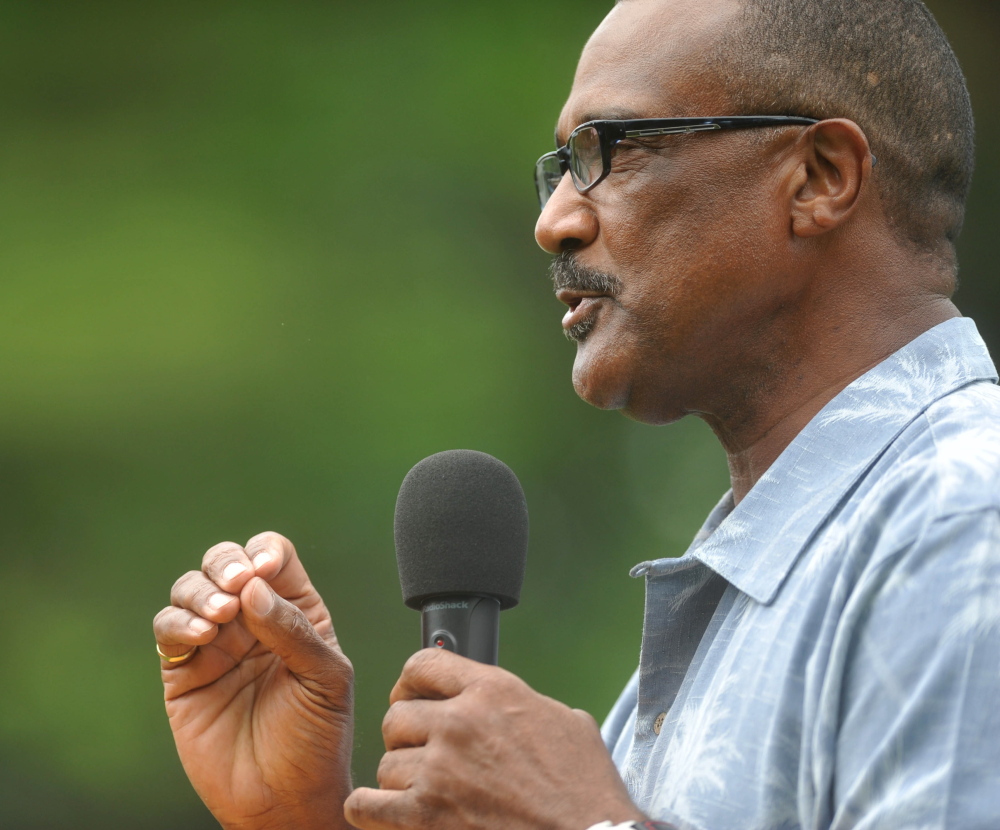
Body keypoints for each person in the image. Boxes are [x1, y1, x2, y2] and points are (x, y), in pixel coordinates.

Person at [153, 0, 1000, 827]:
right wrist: (299, 819)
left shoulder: (964, 519)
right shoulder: (745, 593)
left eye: (611, 150)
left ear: (818, 178)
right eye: (559, 166)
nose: (553, 220)